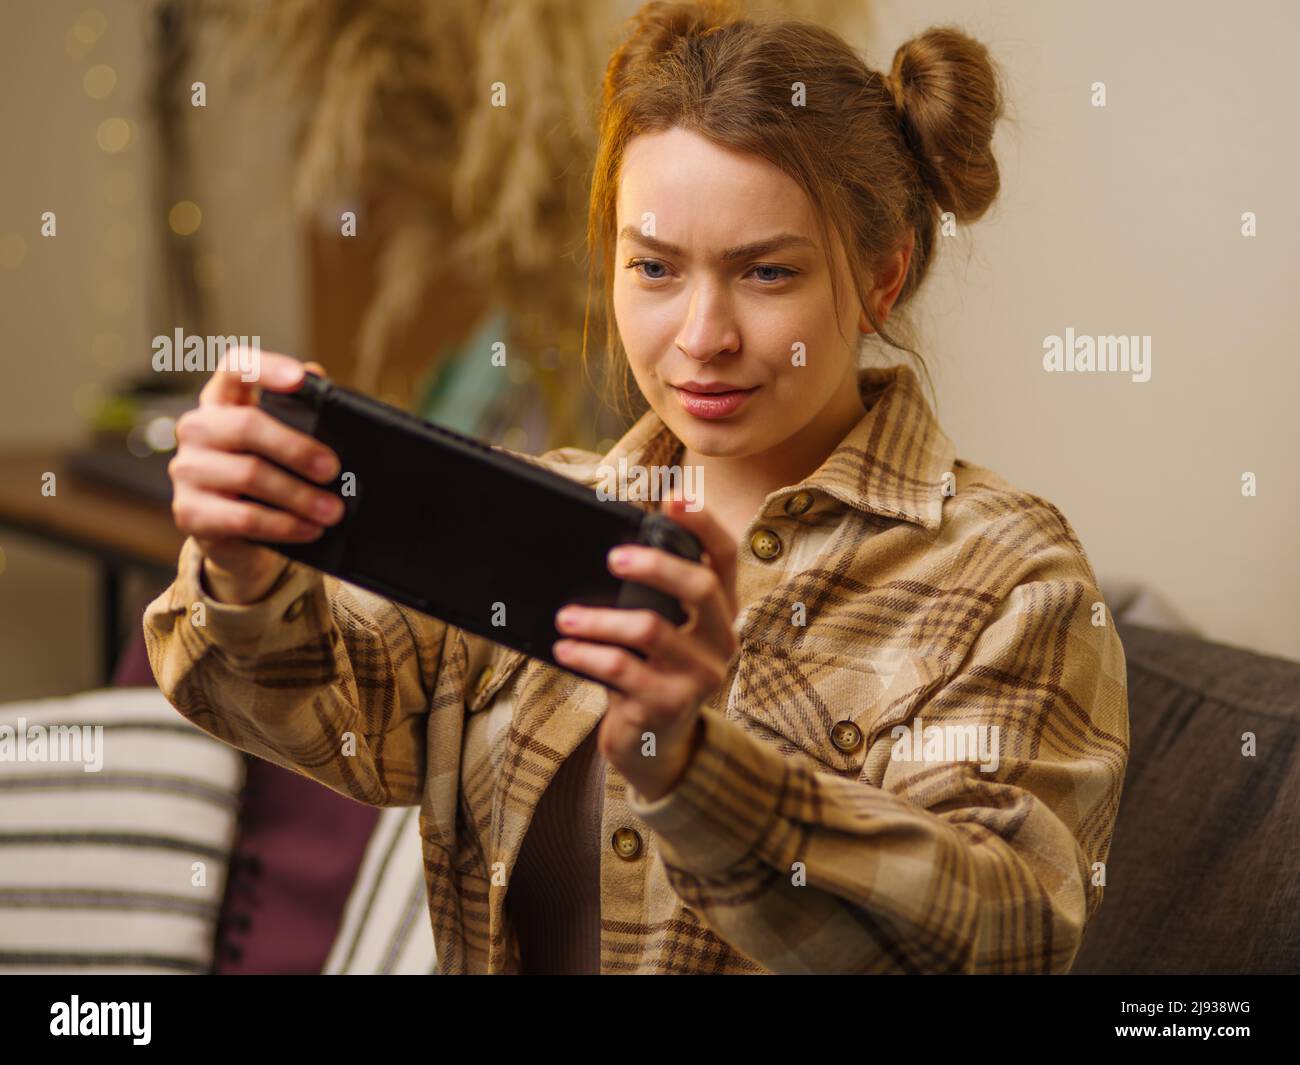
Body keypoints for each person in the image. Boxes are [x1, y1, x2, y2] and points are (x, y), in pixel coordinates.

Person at [143, 0, 1129, 974]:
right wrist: (246, 567)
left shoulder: (1010, 580)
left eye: (767, 274)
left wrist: (696, 770)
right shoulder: (535, 517)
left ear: (881, 276)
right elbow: (331, 720)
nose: (701, 336)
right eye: (653, 267)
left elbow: (1005, 933)